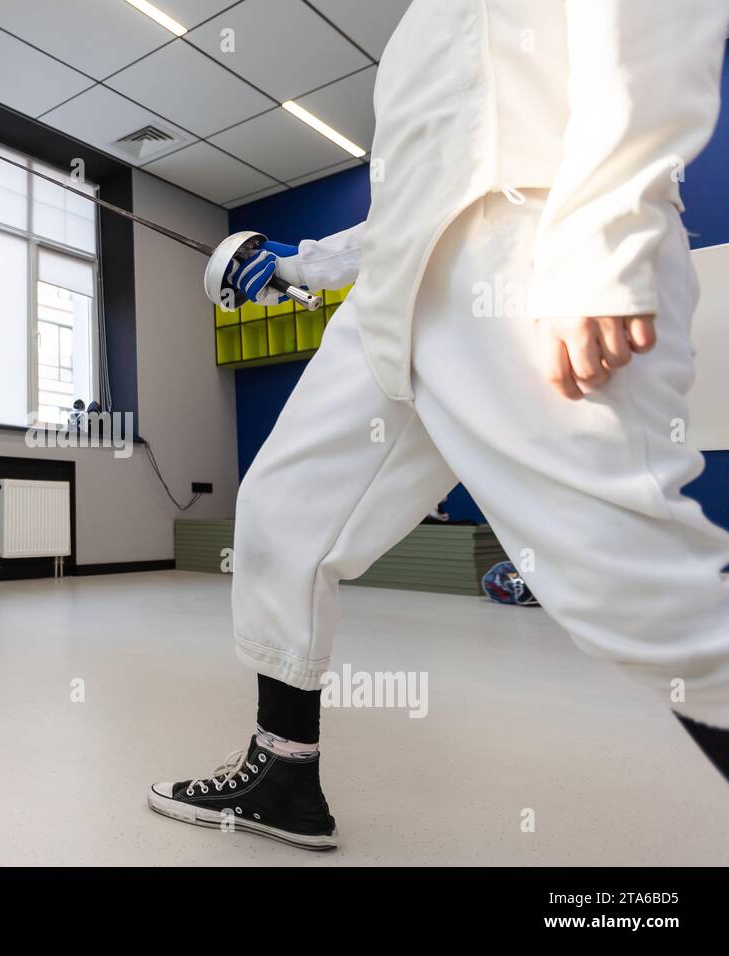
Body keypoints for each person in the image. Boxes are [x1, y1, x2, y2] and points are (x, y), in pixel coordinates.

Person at [148, 0, 729, 849]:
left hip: (524, 244)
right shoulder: (420, 29)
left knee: (626, 585)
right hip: (396, 299)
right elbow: (414, 200)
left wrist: (606, 232)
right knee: (283, 516)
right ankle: (283, 776)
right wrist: (296, 266)